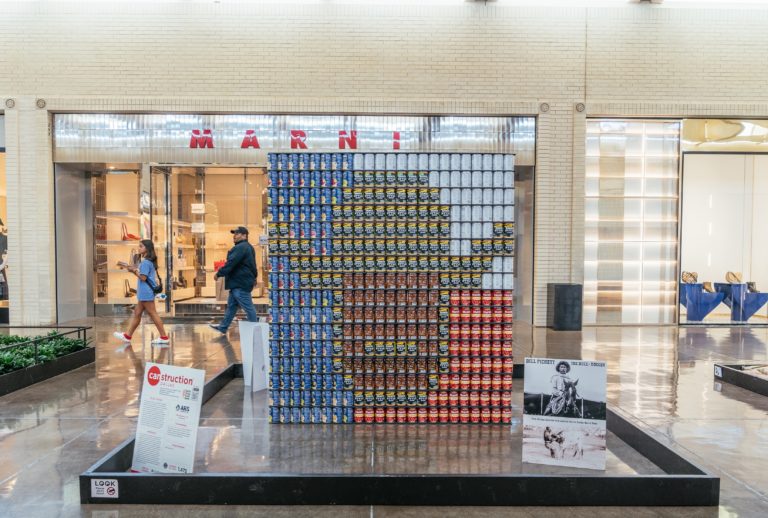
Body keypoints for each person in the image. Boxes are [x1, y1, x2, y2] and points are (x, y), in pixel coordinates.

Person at [113, 239, 169, 345]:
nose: (139, 248)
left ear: (147, 249)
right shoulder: (149, 262)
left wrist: (133, 271)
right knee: (137, 313)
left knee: (153, 314)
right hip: (145, 292)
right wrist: (134, 270)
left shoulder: (145, 262)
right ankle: (127, 335)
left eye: (141, 246)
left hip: (145, 292)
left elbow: (143, 278)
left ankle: (164, 337)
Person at [209, 226, 258, 334]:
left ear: (244, 235)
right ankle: (223, 327)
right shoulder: (247, 247)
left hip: (240, 283)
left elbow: (231, 263)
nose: (234, 236)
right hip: (238, 282)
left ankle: (256, 330)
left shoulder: (241, 247)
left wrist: (219, 273)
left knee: (248, 307)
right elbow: (252, 266)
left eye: (237, 233)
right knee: (231, 306)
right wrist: (254, 277)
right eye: (234, 234)